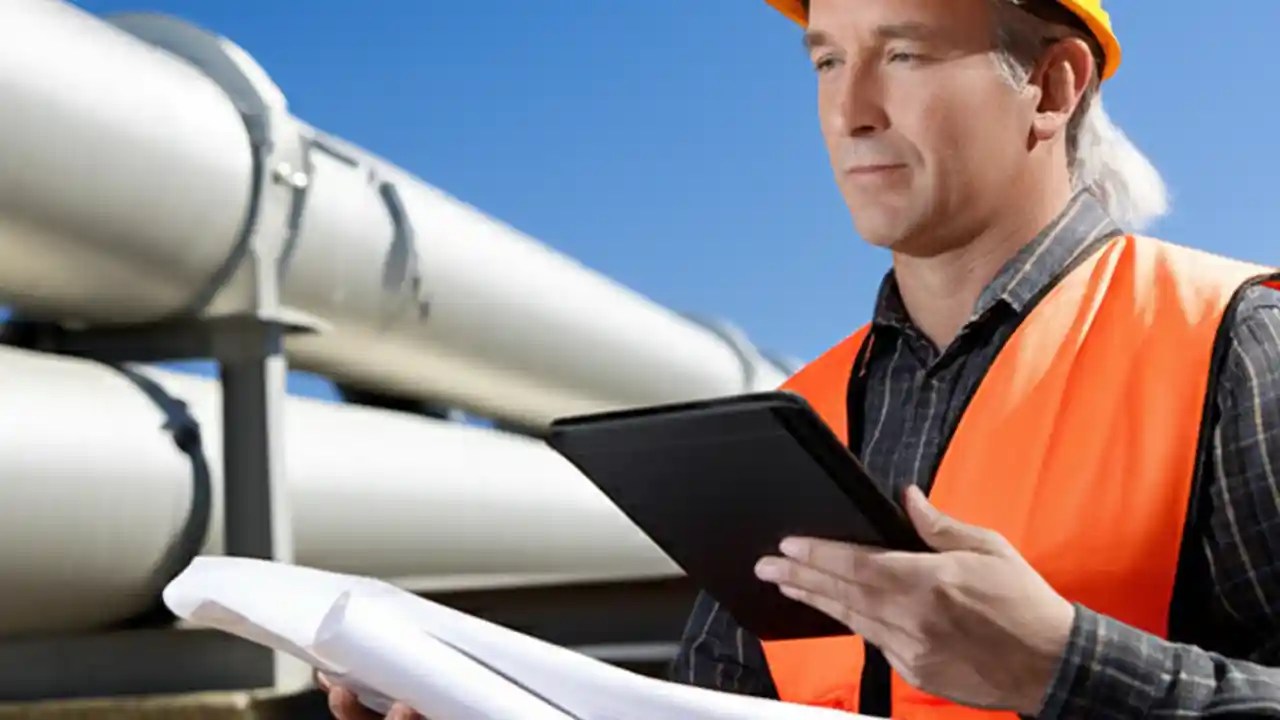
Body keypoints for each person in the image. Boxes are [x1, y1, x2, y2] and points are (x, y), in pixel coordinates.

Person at [324, 0, 1280, 718]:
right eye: (827, 59)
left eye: (903, 53)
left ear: (1053, 84)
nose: (849, 110)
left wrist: (1060, 664)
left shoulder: (1230, 344)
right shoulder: (802, 418)